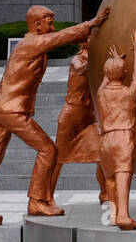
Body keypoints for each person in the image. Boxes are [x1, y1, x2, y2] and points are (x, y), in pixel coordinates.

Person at [0, 4, 110, 227]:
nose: (53, 26)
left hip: (0, 109)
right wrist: (92, 23)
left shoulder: (31, 43)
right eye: (49, 22)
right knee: (48, 150)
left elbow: (61, 38)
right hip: (13, 110)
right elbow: (61, 37)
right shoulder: (31, 42)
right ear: (37, 24)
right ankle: (38, 201)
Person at [47, 39, 109, 204]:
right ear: (84, 43)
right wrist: (98, 59)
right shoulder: (78, 60)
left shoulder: (98, 62)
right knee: (58, 158)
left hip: (89, 116)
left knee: (102, 154)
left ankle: (105, 195)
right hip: (71, 115)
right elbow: (80, 69)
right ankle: (46, 196)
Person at [96, 32, 136, 231]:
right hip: (123, 137)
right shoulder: (128, 93)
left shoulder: (101, 94)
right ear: (123, 74)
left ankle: (114, 214)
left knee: (110, 179)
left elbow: (105, 79)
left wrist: (114, 62)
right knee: (123, 176)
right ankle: (124, 216)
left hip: (106, 140)